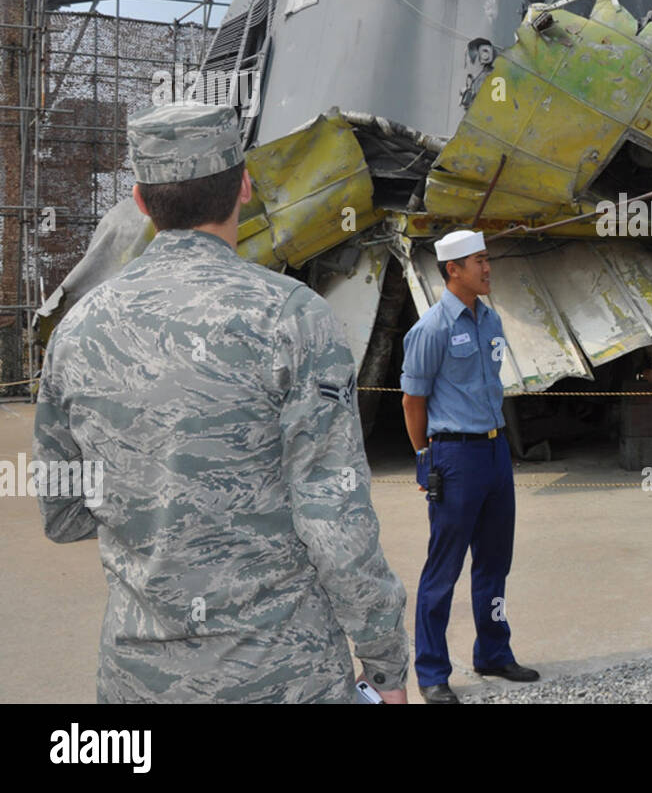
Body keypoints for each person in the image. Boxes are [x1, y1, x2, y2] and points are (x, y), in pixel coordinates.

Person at [32, 100, 408, 703]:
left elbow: (64, 513)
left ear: (140, 199)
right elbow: (335, 519)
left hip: (138, 682)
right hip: (282, 675)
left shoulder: (78, 330)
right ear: (245, 186)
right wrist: (386, 666)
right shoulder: (292, 317)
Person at [400, 230, 537, 704]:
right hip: (455, 456)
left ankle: (493, 652)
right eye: (479, 261)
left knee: (495, 562)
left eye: (487, 259)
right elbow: (412, 401)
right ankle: (433, 672)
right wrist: (425, 457)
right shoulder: (431, 329)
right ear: (452, 270)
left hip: (496, 453)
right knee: (444, 568)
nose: (488, 268)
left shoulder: (491, 320)